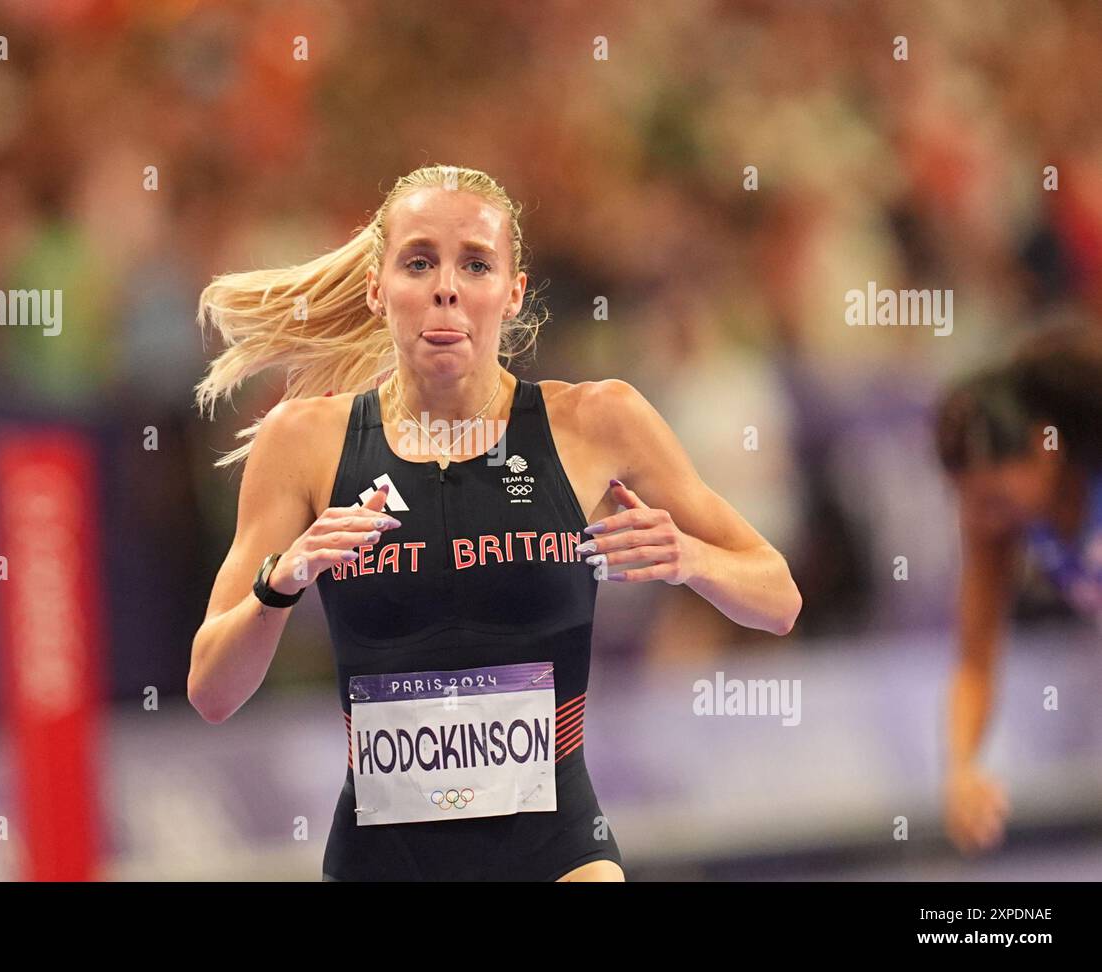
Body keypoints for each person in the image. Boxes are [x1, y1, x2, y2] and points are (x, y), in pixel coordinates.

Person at [187, 164, 802, 881]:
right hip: (385, 862)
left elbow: (779, 598)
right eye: (419, 262)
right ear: (376, 287)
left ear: (511, 293)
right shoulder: (302, 442)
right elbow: (210, 691)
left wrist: (692, 559)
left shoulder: (596, 423)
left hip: (558, 853)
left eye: (475, 264)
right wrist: (280, 583)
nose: (446, 286)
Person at [933, 323, 1102, 856]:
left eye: (992, 496)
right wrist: (961, 770)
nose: (979, 517)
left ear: (1044, 449)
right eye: (965, 499)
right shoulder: (995, 521)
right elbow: (975, 663)